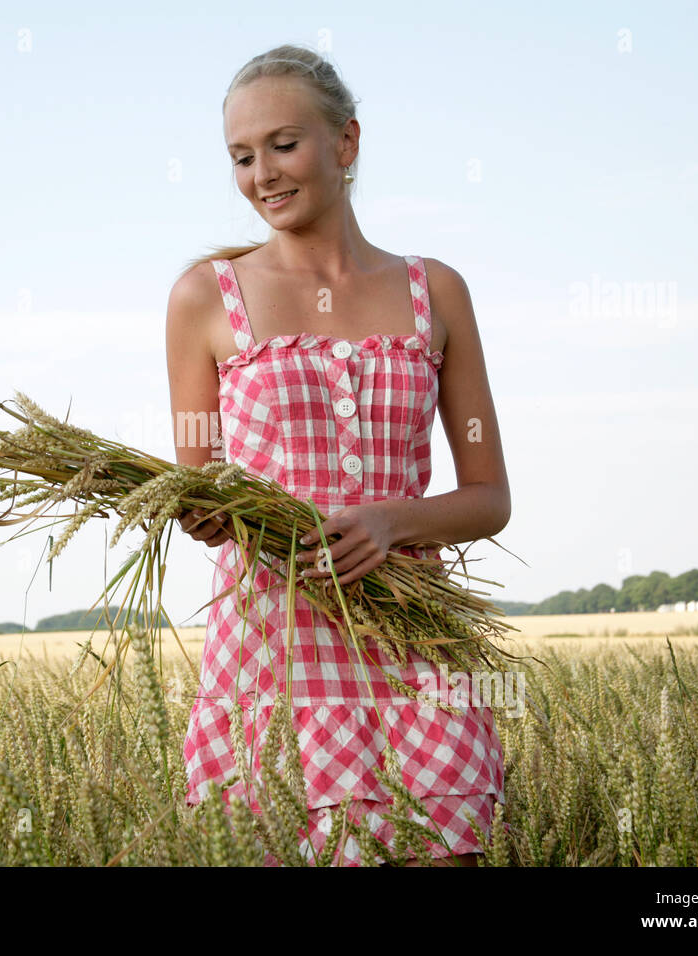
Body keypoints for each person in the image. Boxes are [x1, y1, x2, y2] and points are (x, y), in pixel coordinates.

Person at [164, 44, 511, 867]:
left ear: (346, 143)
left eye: (284, 144)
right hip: (274, 646)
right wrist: (203, 510)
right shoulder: (205, 297)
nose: (262, 175)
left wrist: (394, 522)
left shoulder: (437, 290)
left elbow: (491, 495)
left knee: (448, 850)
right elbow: (199, 483)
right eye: (241, 157)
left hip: (416, 640)